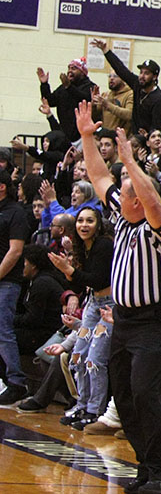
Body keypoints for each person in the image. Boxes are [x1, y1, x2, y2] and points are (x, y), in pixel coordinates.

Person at [74, 101, 161, 494]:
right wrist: (88, 136)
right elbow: (98, 175)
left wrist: (131, 163)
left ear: (139, 196)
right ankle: (146, 467)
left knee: (144, 392)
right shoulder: (121, 218)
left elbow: (153, 202)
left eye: (126, 192)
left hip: (154, 320)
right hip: (123, 320)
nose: (117, 197)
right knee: (124, 397)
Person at [47, 206, 114, 428]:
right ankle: (82, 405)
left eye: (89, 221)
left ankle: (95, 411)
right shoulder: (81, 247)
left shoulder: (104, 245)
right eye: (80, 221)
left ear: (98, 224)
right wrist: (67, 270)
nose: (84, 225)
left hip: (109, 306)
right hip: (93, 304)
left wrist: (70, 270)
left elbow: (99, 279)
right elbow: (78, 284)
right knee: (77, 356)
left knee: (95, 360)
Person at [0, 168, 29, 405]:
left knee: (3, 331)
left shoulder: (15, 212)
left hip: (7, 282)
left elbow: (16, 250)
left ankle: (16, 382)